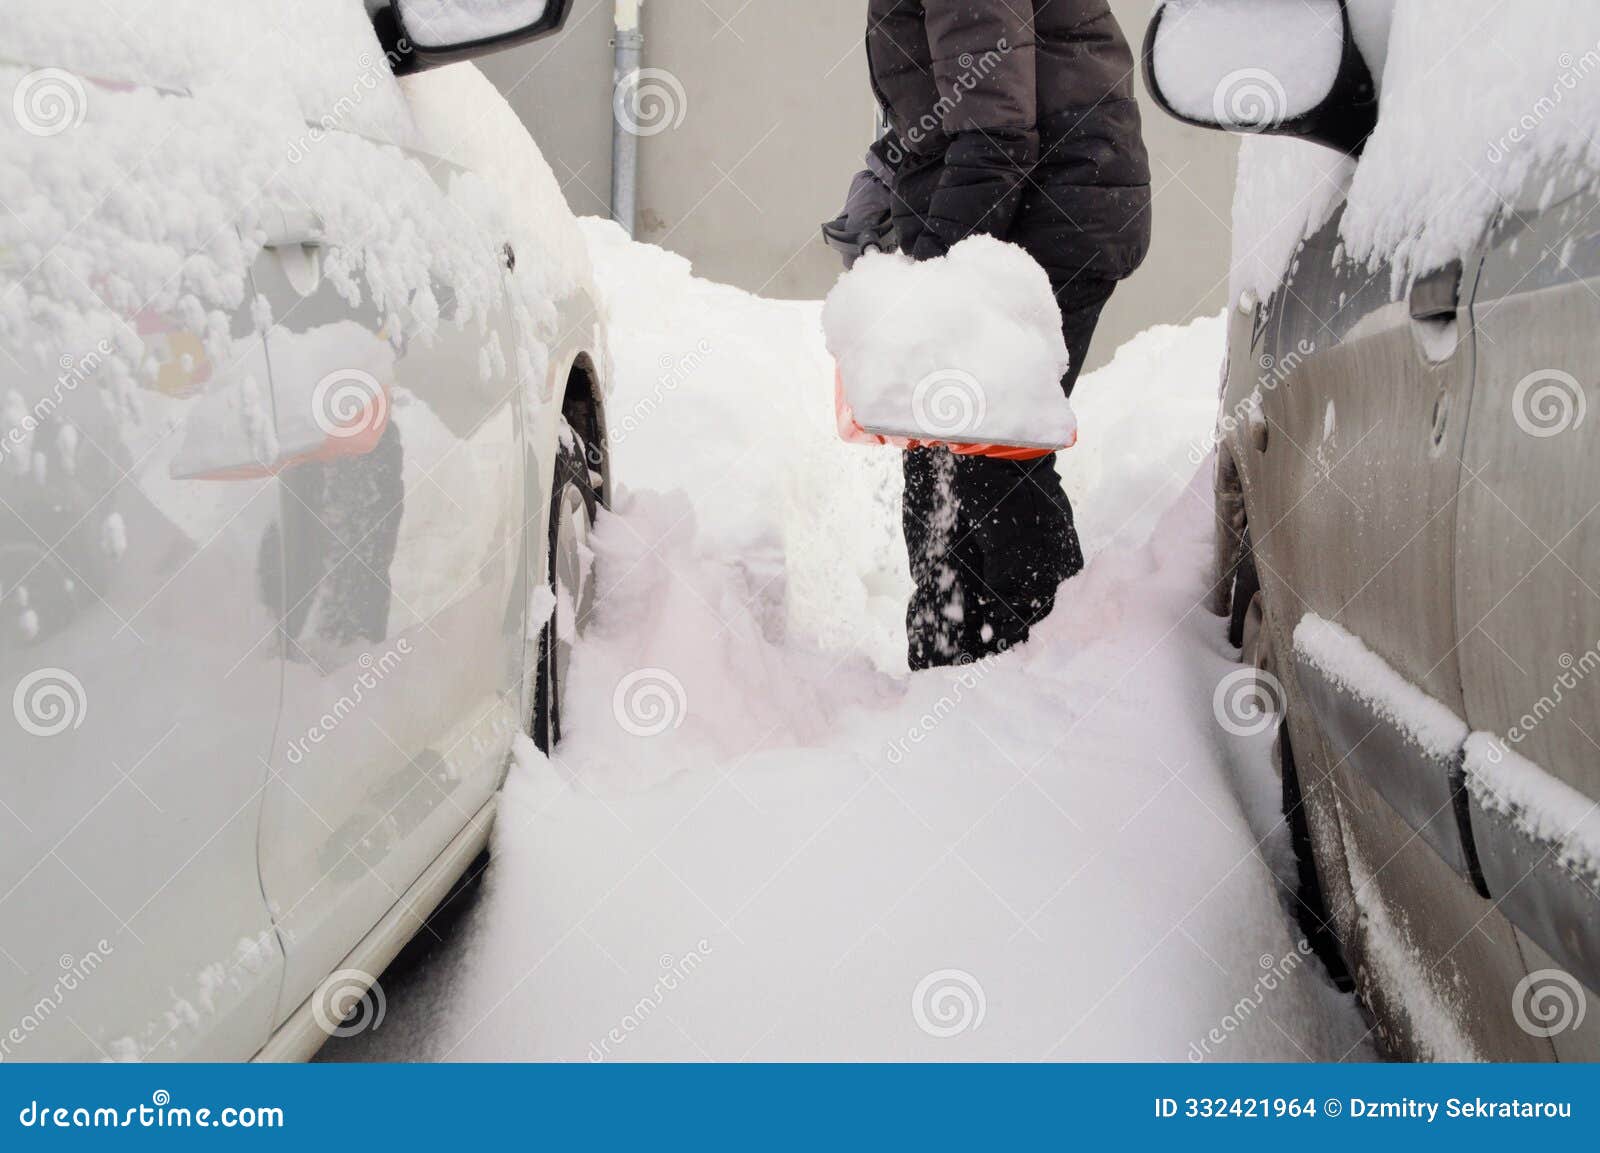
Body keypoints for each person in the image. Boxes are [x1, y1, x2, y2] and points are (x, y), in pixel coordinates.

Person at [848, 0, 1151, 669]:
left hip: (1051, 210)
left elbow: (997, 134)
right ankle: (949, 670)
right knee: (938, 445)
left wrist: (930, 278)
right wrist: (886, 172)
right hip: (1026, 201)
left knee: (991, 451)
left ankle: (1043, 671)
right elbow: (959, 97)